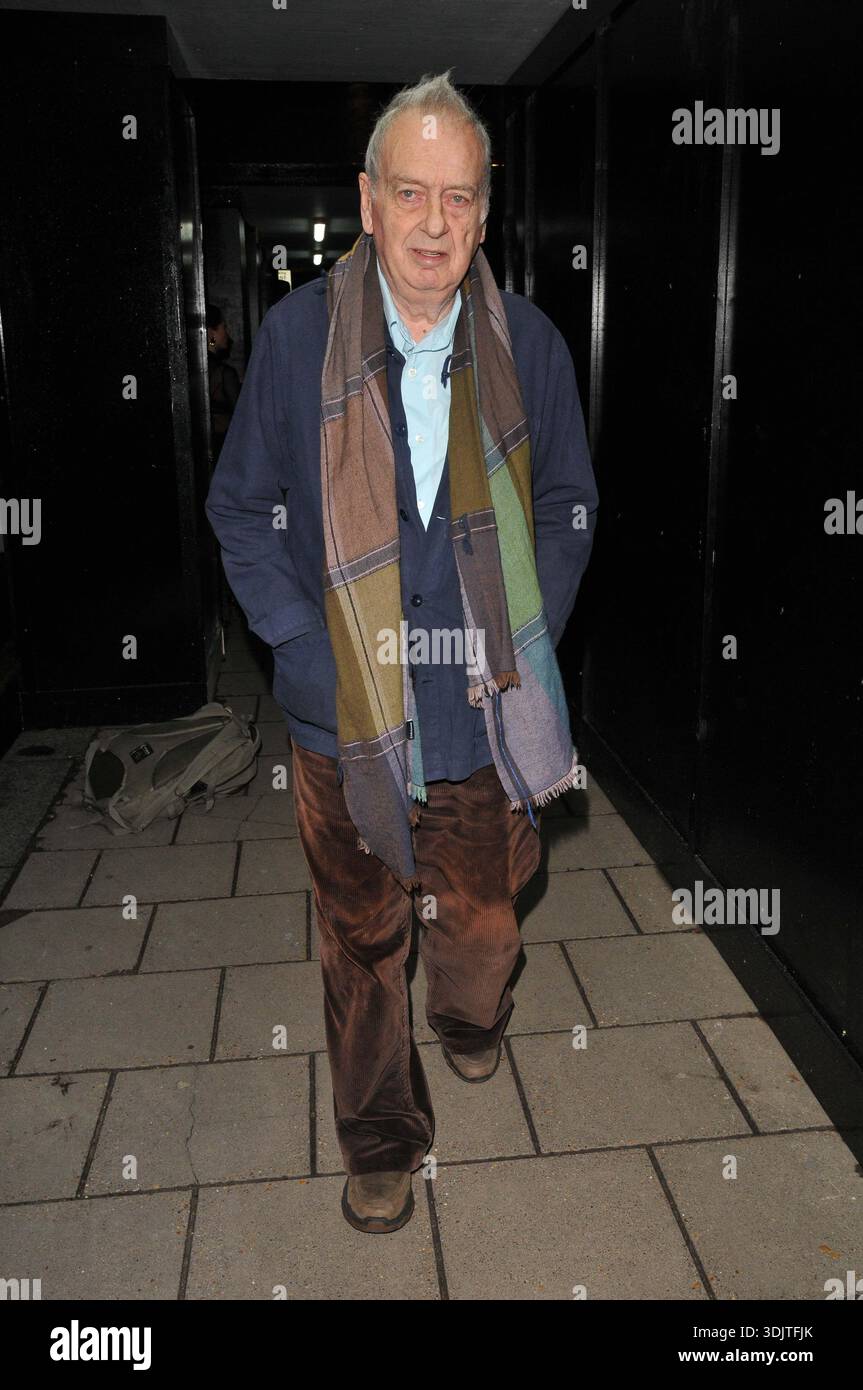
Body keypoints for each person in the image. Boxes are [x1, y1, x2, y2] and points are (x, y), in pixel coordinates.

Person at [206, 72, 598, 1235]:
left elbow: (569, 503)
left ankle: (471, 1014)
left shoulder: (525, 341)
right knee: (361, 937)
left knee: (481, 924)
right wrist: (299, 645)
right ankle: (379, 1134)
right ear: (368, 202)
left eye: (459, 197)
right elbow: (240, 508)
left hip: (480, 706)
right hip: (344, 716)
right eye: (411, 192)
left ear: (484, 214)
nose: (434, 222)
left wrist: (526, 636)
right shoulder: (293, 341)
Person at [205, 303, 241, 462]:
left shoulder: (196, 370)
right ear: (212, 332)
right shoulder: (225, 374)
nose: (227, 333)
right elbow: (240, 421)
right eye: (223, 327)